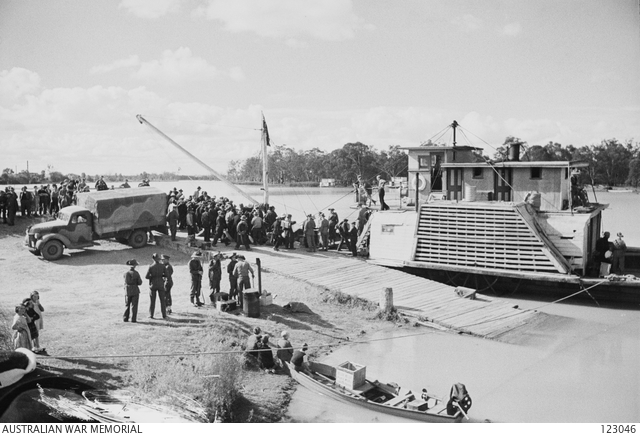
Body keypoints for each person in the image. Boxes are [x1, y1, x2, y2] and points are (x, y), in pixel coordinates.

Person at [145, 253, 167, 319]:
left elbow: (147, 276)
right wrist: (161, 275)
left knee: (152, 301)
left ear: (153, 259)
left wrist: (152, 276)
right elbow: (167, 275)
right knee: (162, 300)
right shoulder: (162, 266)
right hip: (160, 283)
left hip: (153, 284)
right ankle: (164, 315)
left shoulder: (151, 267)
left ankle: (151, 315)